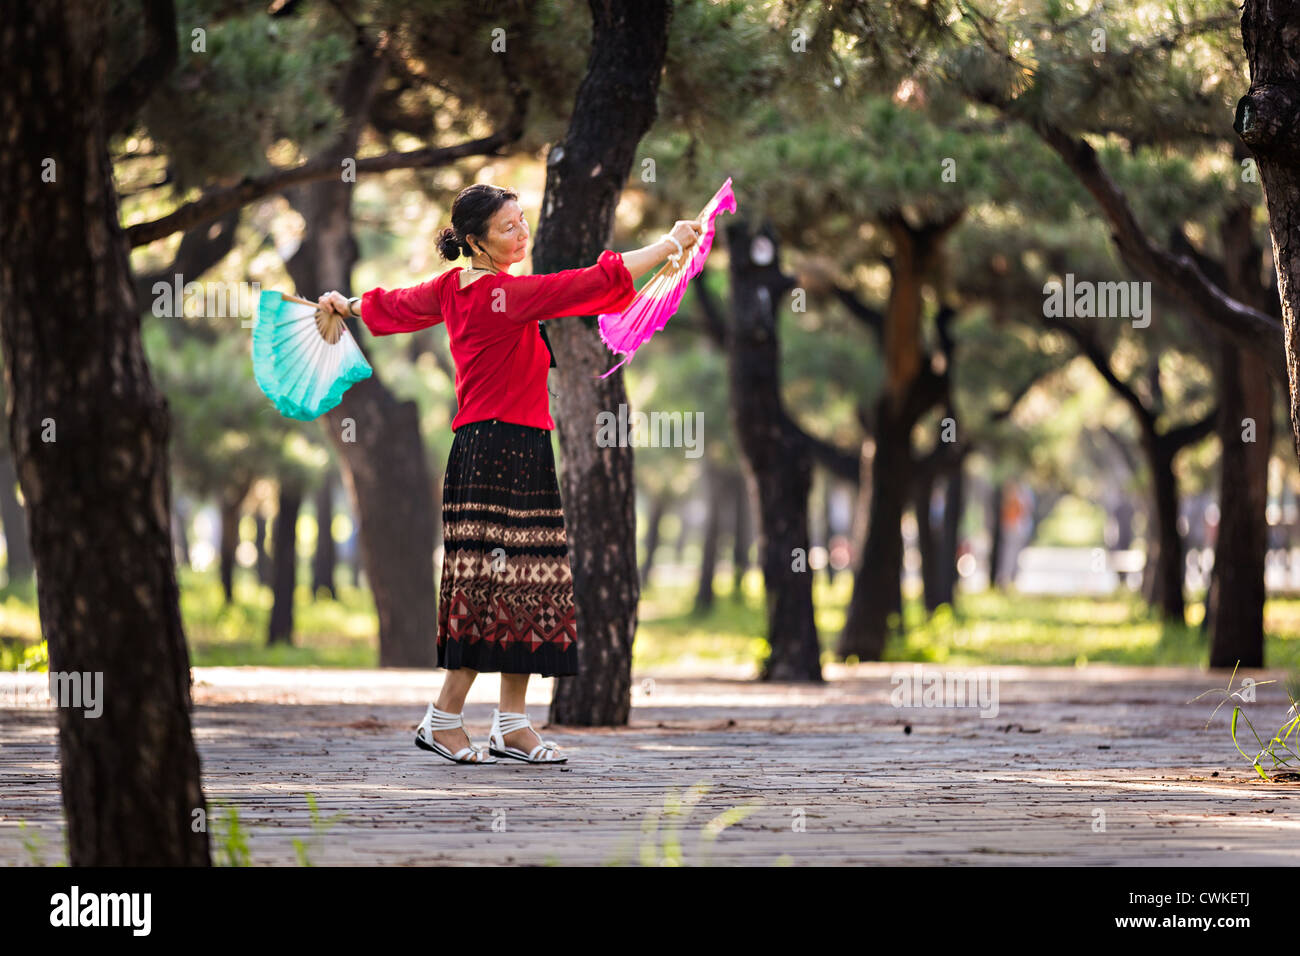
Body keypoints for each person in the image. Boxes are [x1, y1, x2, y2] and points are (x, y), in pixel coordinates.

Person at [317, 183, 702, 764]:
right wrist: (667, 245)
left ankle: (511, 725)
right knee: (487, 588)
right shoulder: (501, 295)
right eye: (507, 229)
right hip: (490, 451)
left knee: (530, 586)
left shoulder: (451, 288)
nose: (521, 234)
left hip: (524, 446)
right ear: (475, 242)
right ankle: (442, 718)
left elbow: (392, 305)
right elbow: (585, 285)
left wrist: (344, 305)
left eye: (522, 222)